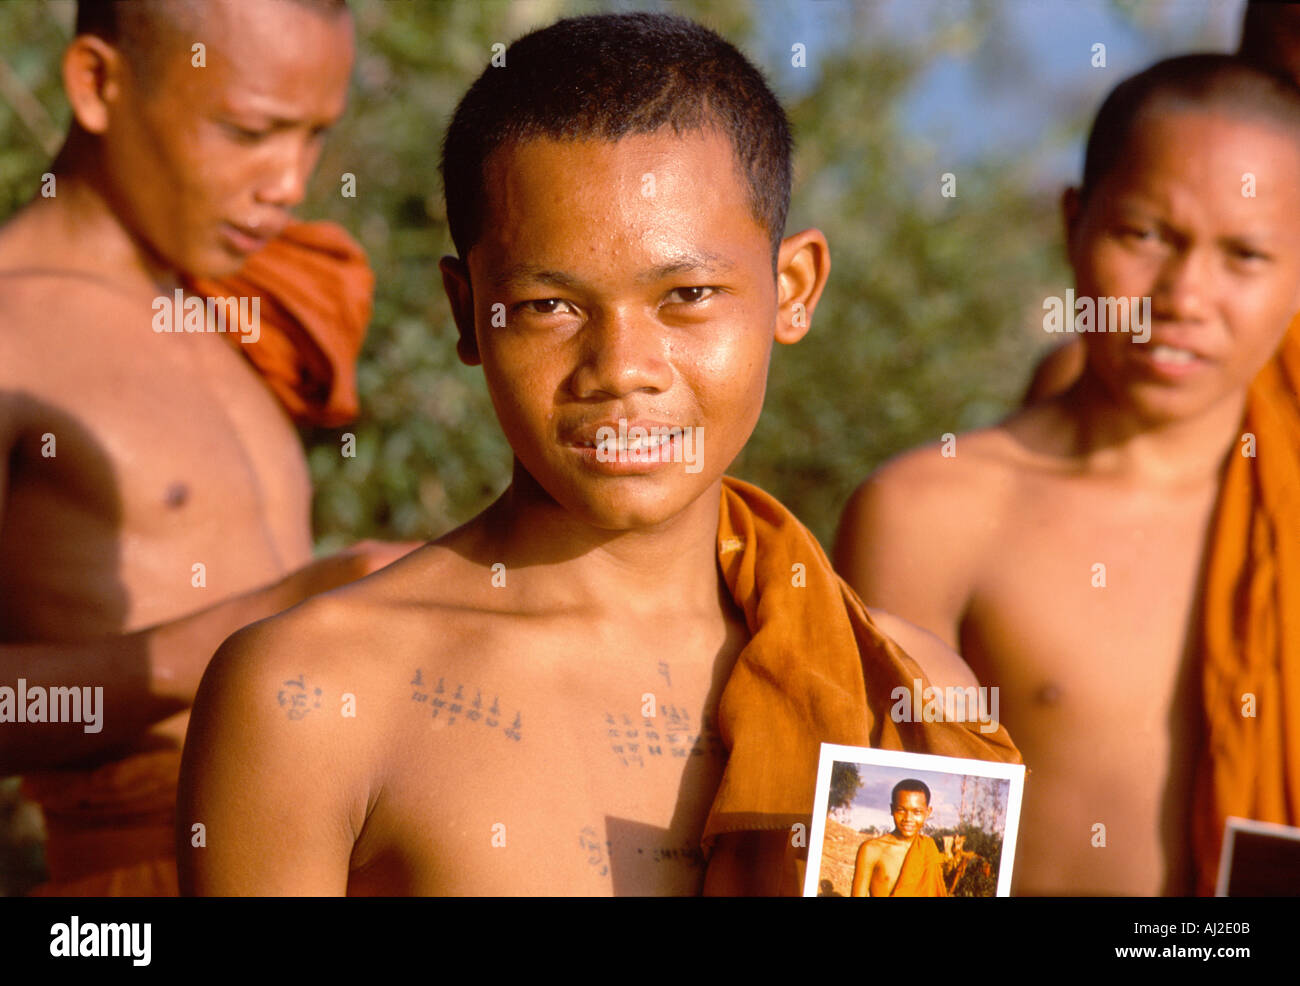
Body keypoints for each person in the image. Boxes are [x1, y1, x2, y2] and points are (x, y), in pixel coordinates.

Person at [178, 11, 1021, 898]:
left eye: (688, 295)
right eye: (550, 306)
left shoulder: (905, 693)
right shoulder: (312, 695)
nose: (622, 371)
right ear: (469, 314)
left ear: (792, 291)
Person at [836, 54, 1300, 894]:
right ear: (1074, 223)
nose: (1184, 295)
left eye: (1245, 255)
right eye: (1146, 235)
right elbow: (904, 866)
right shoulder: (930, 515)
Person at [0, 0, 413, 895]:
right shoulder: (11, 331)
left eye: (313, 138)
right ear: (98, 84)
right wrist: (260, 629)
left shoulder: (239, 316)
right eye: (251, 131)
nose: (290, 183)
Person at [850, 779, 947, 897]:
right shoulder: (872, 850)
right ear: (892, 809)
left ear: (928, 812)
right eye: (901, 810)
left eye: (917, 812)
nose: (908, 818)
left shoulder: (928, 847)